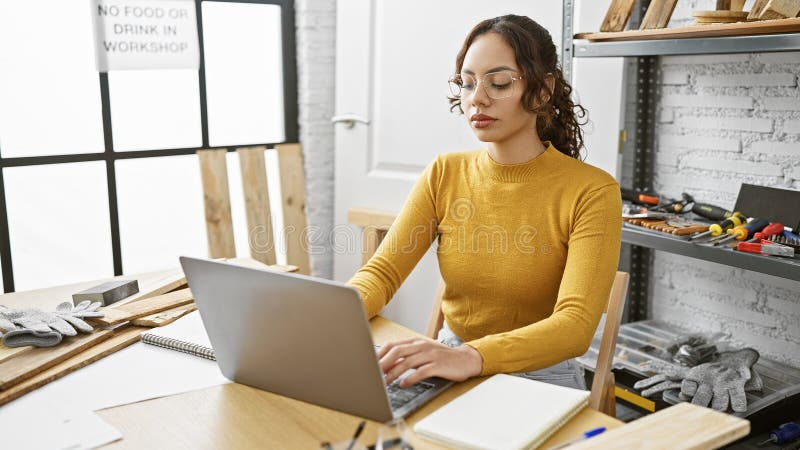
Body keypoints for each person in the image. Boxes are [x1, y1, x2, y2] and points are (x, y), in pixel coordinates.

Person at [346, 14, 622, 390]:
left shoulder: (592, 191)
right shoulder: (445, 172)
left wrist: (470, 358)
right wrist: (331, 317)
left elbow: (574, 326)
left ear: (543, 90)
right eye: (467, 82)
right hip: (449, 363)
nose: (477, 98)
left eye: (499, 82)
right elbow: (381, 275)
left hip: (540, 376)